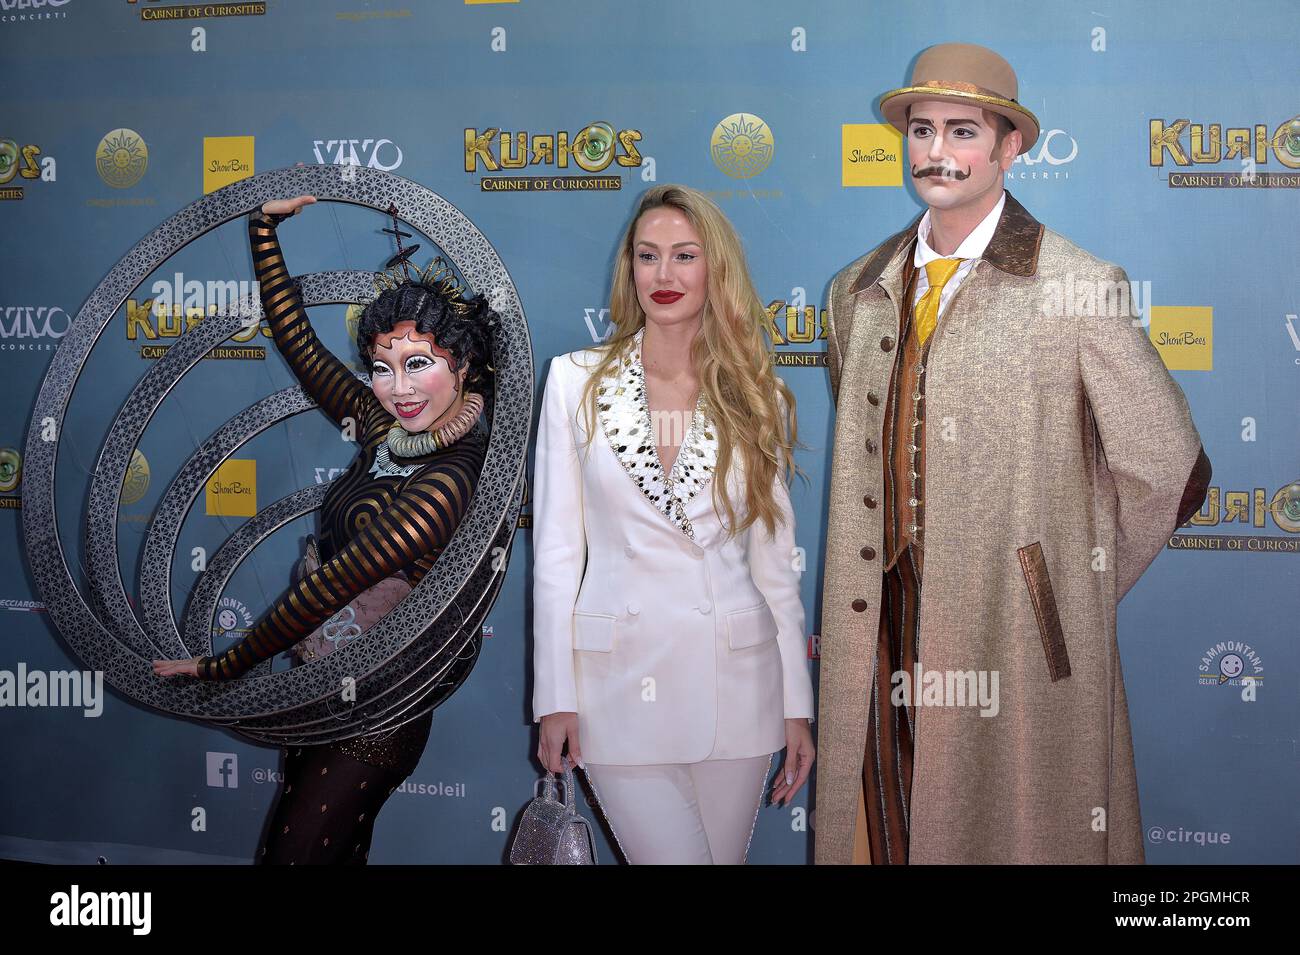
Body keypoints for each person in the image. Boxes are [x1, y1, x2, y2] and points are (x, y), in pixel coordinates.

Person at [815, 43, 1212, 864]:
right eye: (922, 130)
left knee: (1018, 833)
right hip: (877, 629)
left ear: (1010, 148)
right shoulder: (855, 290)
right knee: (881, 836)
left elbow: (1170, 467)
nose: (936, 152)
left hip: (1013, 644)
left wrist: (1057, 589)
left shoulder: (1076, 283)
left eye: (963, 131)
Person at [154, 195, 495, 864]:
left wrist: (224, 666)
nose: (398, 387)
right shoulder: (387, 429)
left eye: (419, 363)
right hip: (319, 684)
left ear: (461, 365)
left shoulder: (452, 478)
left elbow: (334, 584)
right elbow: (297, 342)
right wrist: (264, 230)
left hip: (376, 709)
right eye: (382, 366)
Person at [531, 183, 816, 865]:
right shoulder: (576, 382)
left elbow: (775, 565)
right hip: (615, 693)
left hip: (738, 692)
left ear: (714, 268)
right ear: (629, 268)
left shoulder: (759, 395)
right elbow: (557, 554)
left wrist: (795, 704)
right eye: (648, 255)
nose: (663, 275)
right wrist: (554, 695)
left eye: (684, 255)